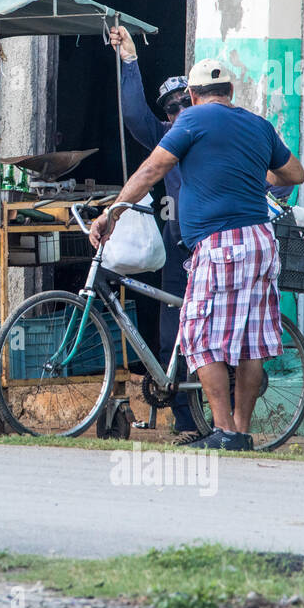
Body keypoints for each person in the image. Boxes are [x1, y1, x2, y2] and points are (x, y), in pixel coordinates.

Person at [89, 57, 304, 451]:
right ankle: (240, 431)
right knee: (250, 344)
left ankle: (222, 430)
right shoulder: (259, 126)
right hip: (260, 241)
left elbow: (151, 171)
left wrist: (113, 212)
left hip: (221, 244)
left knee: (199, 338)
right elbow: (295, 174)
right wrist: (256, 174)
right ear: (231, 93)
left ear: (192, 95)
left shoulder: (190, 122)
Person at [109, 26, 199, 443]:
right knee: (172, 334)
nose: (180, 110)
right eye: (172, 107)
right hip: (178, 241)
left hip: (217, 242)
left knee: (217, 331)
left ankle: (227, 420)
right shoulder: (167, 138)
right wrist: (129, 60)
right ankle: (185, 422)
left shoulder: (217, 133)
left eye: (187, 101)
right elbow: (134, 117)